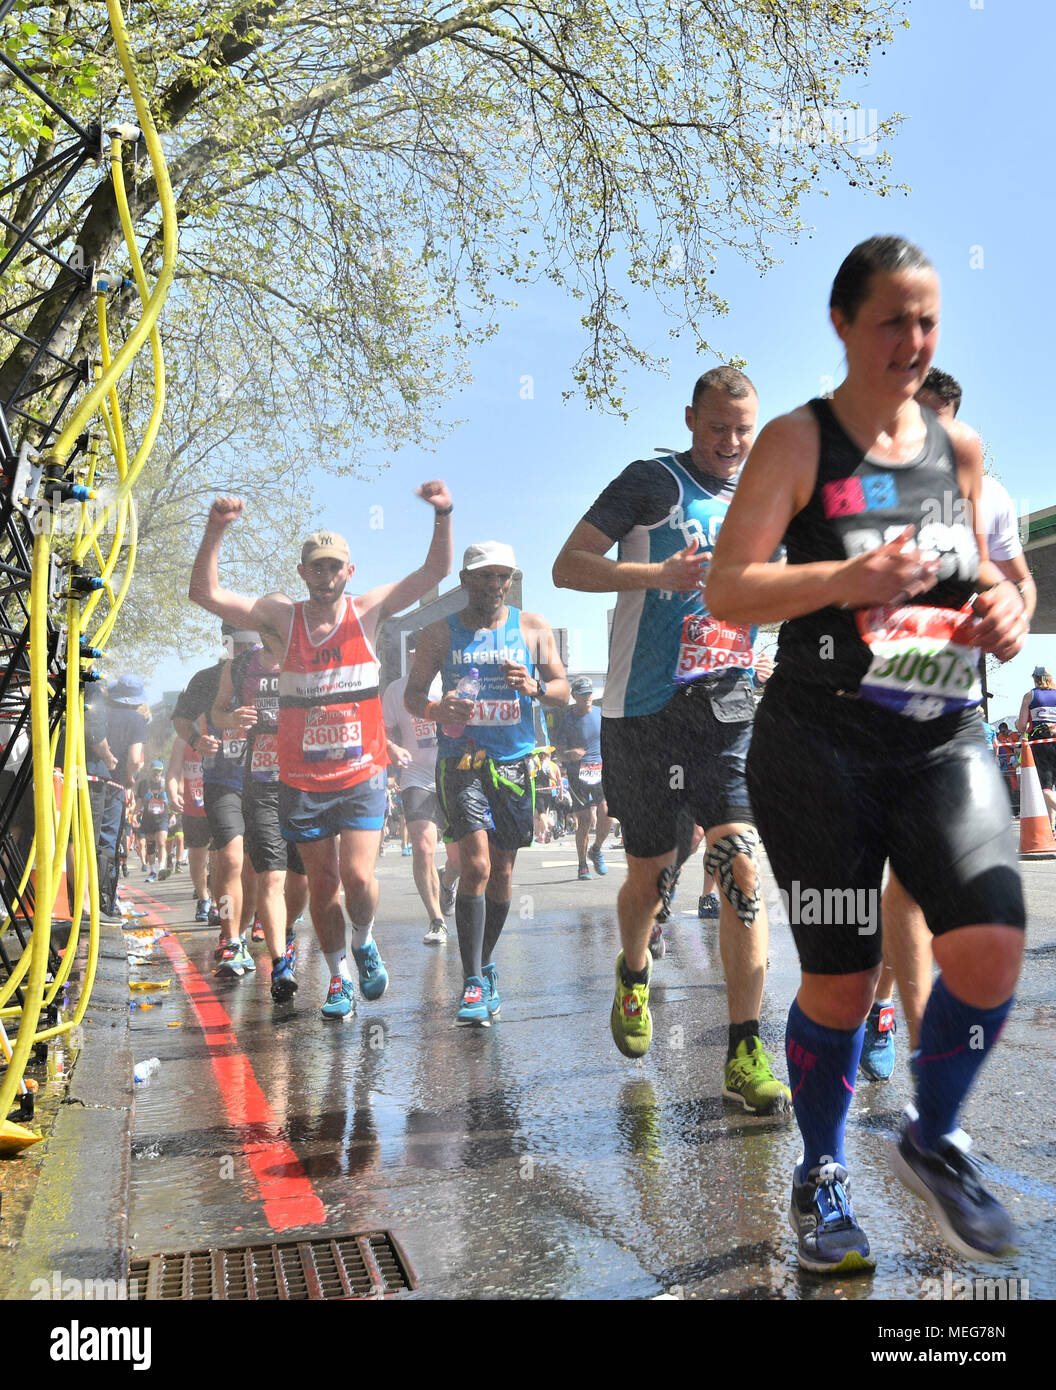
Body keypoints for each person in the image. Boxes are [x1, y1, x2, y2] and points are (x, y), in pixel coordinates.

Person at [706, 235, 1027, 1272]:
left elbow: (996, 578)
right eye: (893, 318)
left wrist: (1005, 613)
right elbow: (730, 589)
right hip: (821, 742)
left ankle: (933, 1136)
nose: (912, 339)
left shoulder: (960, 450)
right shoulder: (800, 443)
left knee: (992, 942)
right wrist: (843, 582)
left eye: (927, 319)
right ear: (843, 324)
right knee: (844, 981)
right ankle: (824, 1170)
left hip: (939, 728)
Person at [553, 366, 791, 1117]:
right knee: (650, 879)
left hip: (724, 713)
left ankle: (745, 1049)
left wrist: (769, 646)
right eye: (718, 428)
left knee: (742, 872)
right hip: (642, 714)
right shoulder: (650, 481)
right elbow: (568, 566)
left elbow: (779, 592)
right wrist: (657, 573)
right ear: (692, 420)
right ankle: (632, 972)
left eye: (743, 430)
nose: (730, 443)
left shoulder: (769, 501)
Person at [188, 482, 453, 1018]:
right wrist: (215, 531)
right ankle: (338, 978)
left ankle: (365, 938)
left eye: (335, 567)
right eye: (317, 568)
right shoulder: (283, 620)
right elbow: (205, 594)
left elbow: (433, 574)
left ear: (348, 573)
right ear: (304, 573)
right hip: (303, 780)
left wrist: (443, 515)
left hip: (361, 772)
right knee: (325, 883)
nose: (327, 576)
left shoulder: (369, 610)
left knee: (357, 878)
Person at [863, 368, 1038, 1080]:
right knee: (890, 882)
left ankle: (905, 1028)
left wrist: (1016, 613)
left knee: (914, 879)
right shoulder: (866, 483)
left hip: (953, 705)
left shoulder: (989, 495)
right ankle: (899, 1022)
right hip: (869, 702)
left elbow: (1018, 578)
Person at [404, 541, 570, 1025]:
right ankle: (471, 981)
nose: (494, 585)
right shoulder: (440, 631)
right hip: (462, 762)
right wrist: (436, 708)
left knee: (501, 872)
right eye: (484, 576)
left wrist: (536, 687)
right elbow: (413, 695)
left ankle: (487, 961)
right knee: (474, 865)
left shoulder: (533, 628)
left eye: (502, 577)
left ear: (510, 581)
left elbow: (560, 688)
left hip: (516, 765)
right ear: (464, 581)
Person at [211, 638, 310, 1000]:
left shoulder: (307, 655)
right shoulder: (236, 668)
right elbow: (216, 713)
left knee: (300, 882)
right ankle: (276, 961)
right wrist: (230, 719)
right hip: (257, 784)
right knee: (265, 873)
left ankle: (285, 932)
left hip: (304, 783)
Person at [172, 622, 260, 977]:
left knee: (254, 867)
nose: (243, 652)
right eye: (237, 645)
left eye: (250, 645)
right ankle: (229, 938)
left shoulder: (273, 672)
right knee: (229, 859)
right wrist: (197, 740)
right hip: (222, 781)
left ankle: (246, 928)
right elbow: (180, 718)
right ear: (226, 643)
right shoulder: (207, 677)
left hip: (264, 782)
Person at [382, 640, 462, 945]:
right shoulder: (396, 690)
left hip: (452, 774)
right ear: (410, 655)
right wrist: (392, 747)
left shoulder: (452, 685)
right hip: (416, 776)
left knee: (459, 859)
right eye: (416, 652)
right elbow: (383, 728)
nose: (421, 658)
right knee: (424, 847)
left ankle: (448, 880)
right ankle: (436, 920)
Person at [553, 677, 613, 880]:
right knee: (585, 821)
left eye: (589, 693)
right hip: (577, 774)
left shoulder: (600, 714)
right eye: (583, 694)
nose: (587, 697)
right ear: (574, 696)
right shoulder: (567, 720)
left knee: (608, 814)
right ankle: (582, 864)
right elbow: (558, 754)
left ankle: (596, 849)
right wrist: (570, 754)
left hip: (600, 771)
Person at [166, 736, 212, 920]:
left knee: (221, 855)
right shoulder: (182, 740)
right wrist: (171, 794)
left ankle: (218, 903)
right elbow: (173, 772)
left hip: (221, 802)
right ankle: (204, 898)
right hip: (193, 805)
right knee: (197, 856)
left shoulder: (223, 729)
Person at [1017, 665, 1056, 832]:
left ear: (1035, 678)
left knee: (1046, 787)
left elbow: (1021, 725)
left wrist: (1022, 727)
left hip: (1041, 744)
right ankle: (1052, 827)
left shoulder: (1030, 695)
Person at [134, 761, 171, 881]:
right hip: (148, 818)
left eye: (159, 770)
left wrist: (174, 814)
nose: (156, 773)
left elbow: (172, 800)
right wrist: (134, 814)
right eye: (154, 770)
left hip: (162, 817)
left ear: (162, 771)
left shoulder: (165, 784)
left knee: (161, 843)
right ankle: (153, 871)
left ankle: (161, 869)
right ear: (151, 770)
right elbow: (139, 801)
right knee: (150, 846)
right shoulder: (144, 784)